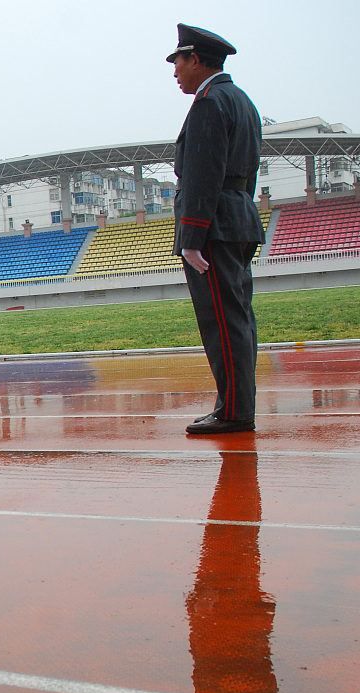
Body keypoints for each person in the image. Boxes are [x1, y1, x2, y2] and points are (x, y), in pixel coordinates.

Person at [168, 24, 265, 435]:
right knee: (239, 319)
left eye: (177, 63)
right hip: (238, 217)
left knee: (222, 322)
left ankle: (233, 413)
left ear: (195, 59)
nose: (175, 73)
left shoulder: (209, 101)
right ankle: (237, 406)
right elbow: (248, 171)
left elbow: (202, 175)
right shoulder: (241, 101)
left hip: (214, 226)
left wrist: (191, 238)